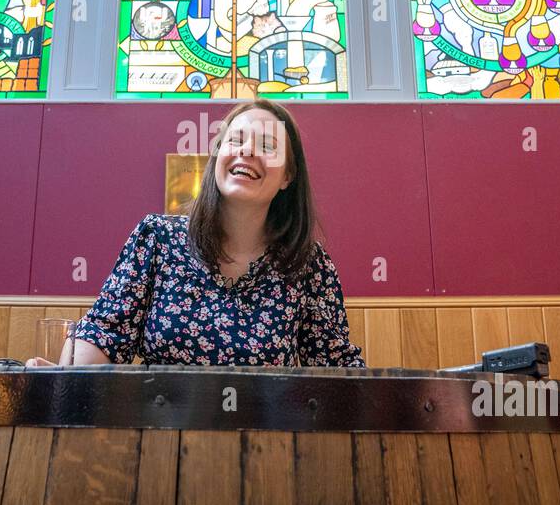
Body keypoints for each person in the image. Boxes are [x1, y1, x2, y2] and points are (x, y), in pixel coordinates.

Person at [26, 98, 365, 367]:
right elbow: (105, 333)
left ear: (288, 176)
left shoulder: (309, 265)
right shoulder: (156, 238)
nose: (246, 150)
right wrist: (61, 380)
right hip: (161, 442)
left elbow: (336, 368)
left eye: (266, 145)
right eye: (235, 139)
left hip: (268, 446)